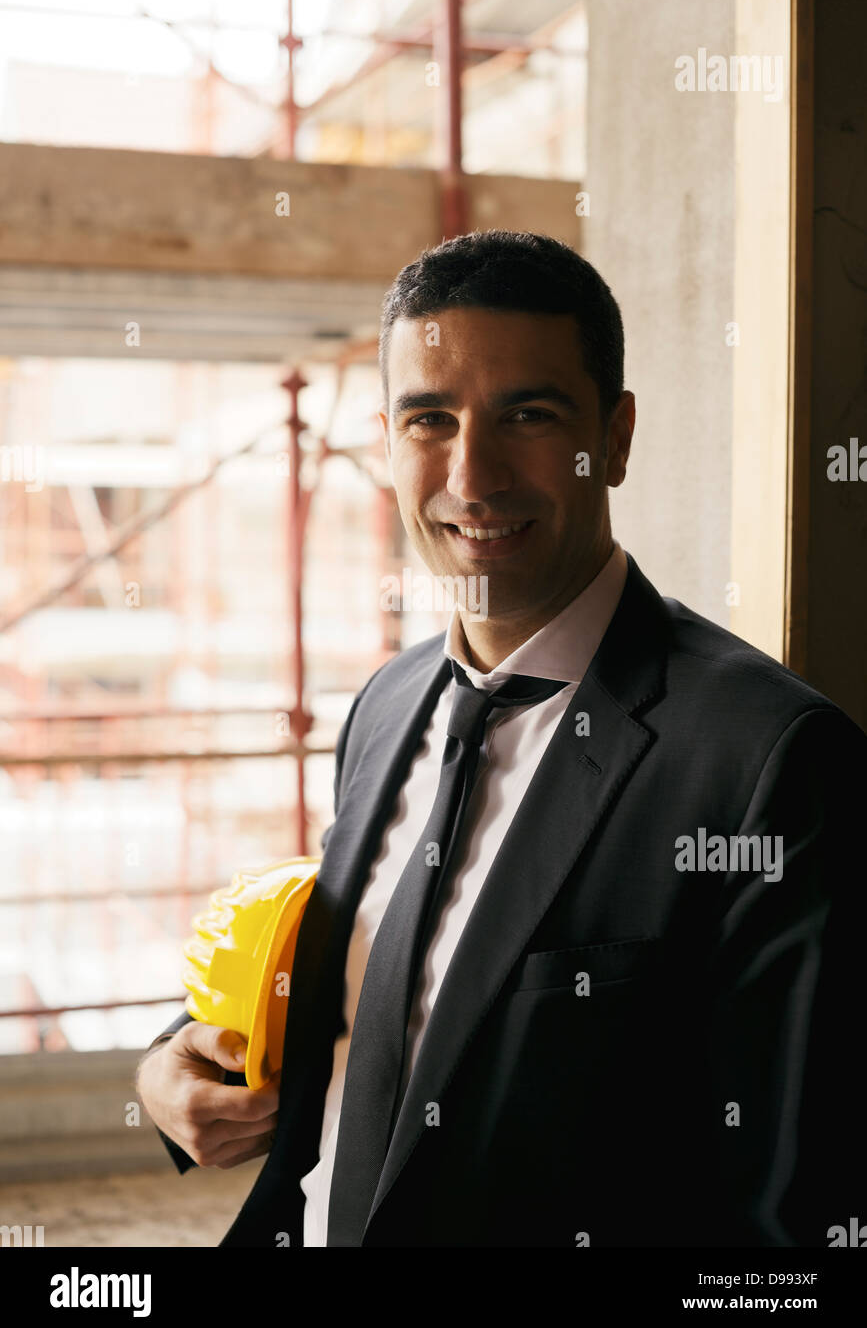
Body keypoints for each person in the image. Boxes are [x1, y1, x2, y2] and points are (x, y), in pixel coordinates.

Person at [137, 230, 866, 1248]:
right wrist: (181, 1059)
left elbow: (793, 1217)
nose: (471, 477)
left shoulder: (773, 762)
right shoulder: (386, 705)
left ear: (614, 438)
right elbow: (379, 996)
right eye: (429, 418)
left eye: (527, 415)